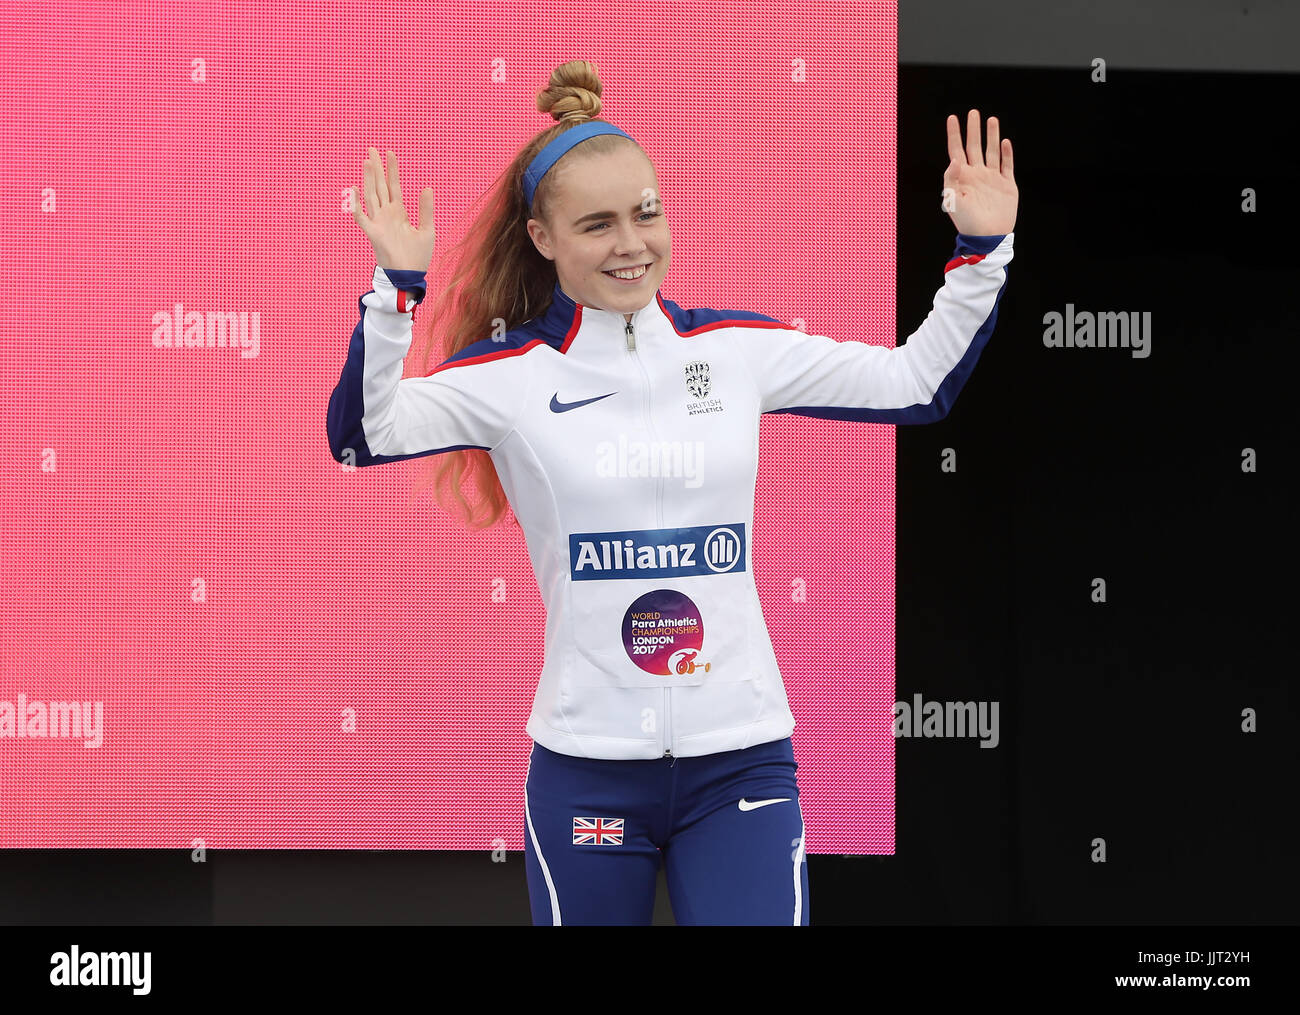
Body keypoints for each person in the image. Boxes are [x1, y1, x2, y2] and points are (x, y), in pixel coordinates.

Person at [327, 59, 1018, 925]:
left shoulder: (732, 349)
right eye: (598, 224)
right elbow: (363, 435)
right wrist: (394, 292)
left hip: (740, 761)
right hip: (587, 766)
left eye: (646, 212)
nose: (632, 243)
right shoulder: (509, 375)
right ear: (543, 239)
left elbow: (917, 385)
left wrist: (981, 254)